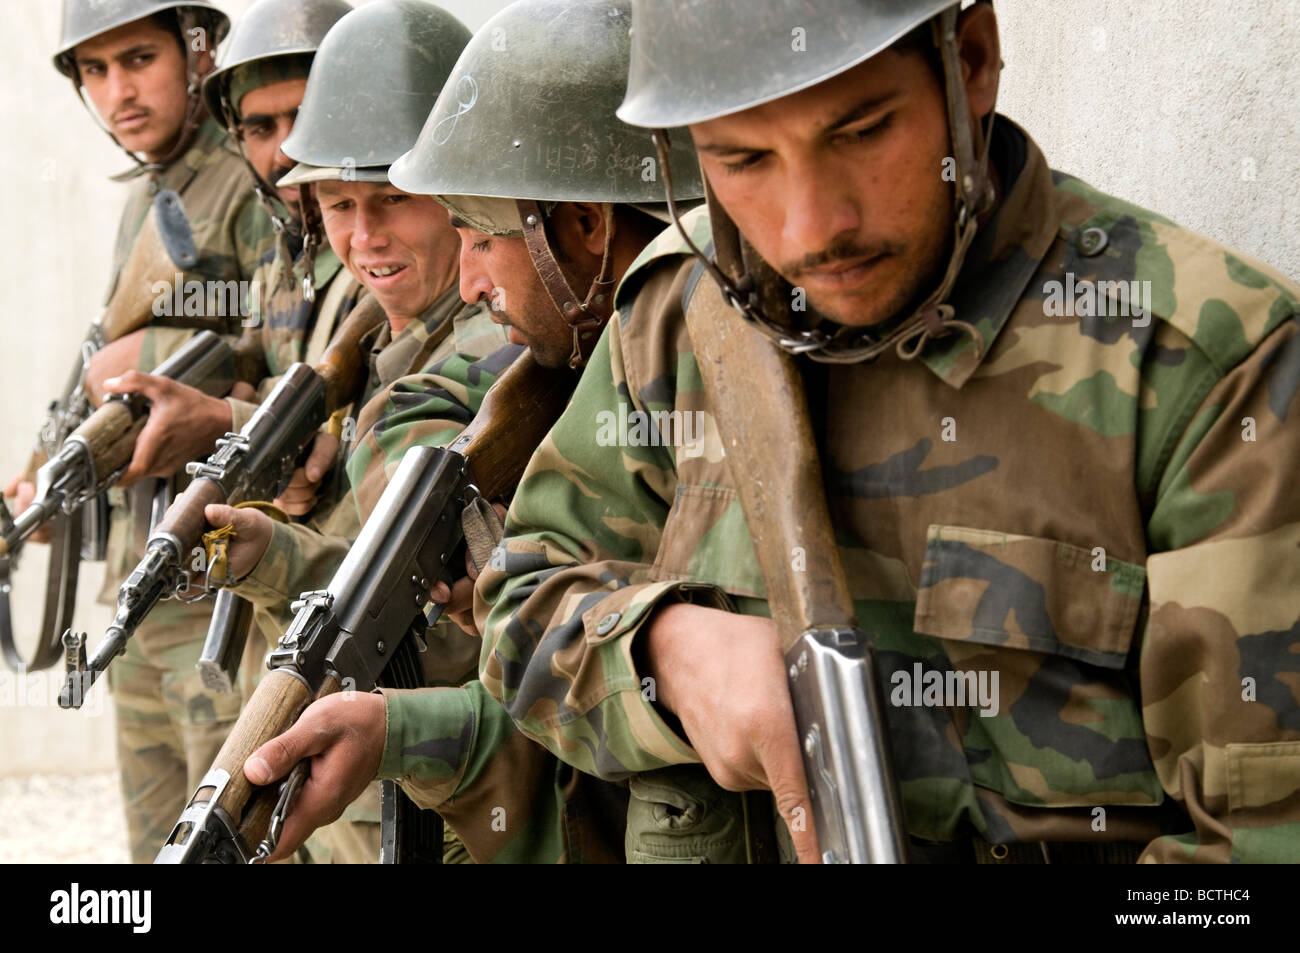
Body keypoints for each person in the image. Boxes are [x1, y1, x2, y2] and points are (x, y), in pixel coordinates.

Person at [475, 0, 1300, 863]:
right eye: (742, 158)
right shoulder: (677, 324)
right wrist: (660, 651)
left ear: (971, 62)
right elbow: (518, 600)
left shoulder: (1207, 366)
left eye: (862, 132)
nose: (811, 226)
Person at [236, 0, 704, 864]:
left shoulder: (633, 361)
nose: (473, 279)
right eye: (336, 203)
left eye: (482, 237)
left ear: (590, 227)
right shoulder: (590, 365)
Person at [192, 0, 509, 863]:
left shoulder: (504, 351)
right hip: (367, 787)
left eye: (396, 199)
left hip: (469, 803)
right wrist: (275, 556)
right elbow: (382, 588)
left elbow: (458, 629)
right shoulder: (376, 336)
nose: (363, 237)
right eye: (337, 203)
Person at [3, 0, 276, 863]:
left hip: (219, 584)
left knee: (223, 837)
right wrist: (48, 472)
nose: (117, 90)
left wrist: (144, 352)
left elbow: (292, 353)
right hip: (137, 579)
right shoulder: (154, 191)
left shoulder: (248, 175)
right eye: (95, 71)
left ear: (199, 51)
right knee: (151, 848)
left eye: (137, 59)